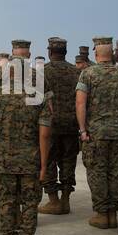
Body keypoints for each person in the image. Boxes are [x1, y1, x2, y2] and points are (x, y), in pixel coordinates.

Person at [0, 57, 52, 235]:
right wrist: (43, 165)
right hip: (31, 162)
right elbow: (45, 135)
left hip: (4, 161)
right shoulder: (38, 97)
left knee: (6, 205)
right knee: (30, 205)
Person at [76, 36, 118, 229]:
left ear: (96, 53)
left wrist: (83, 129)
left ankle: (102, 214)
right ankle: (112, 214)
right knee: (115, 172)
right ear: (112, 54)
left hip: (96, 132)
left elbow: (80, 103)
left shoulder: (88, 74)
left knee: (97, 172)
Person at [39, 36, 80, 215]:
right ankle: (65, 200)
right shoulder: (76, 72)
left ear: (49, 52)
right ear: (65, 52)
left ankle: (53, 200)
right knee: (68, 161)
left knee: (48, 162)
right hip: (71, 125)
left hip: (50, 126)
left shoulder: (42, 72)